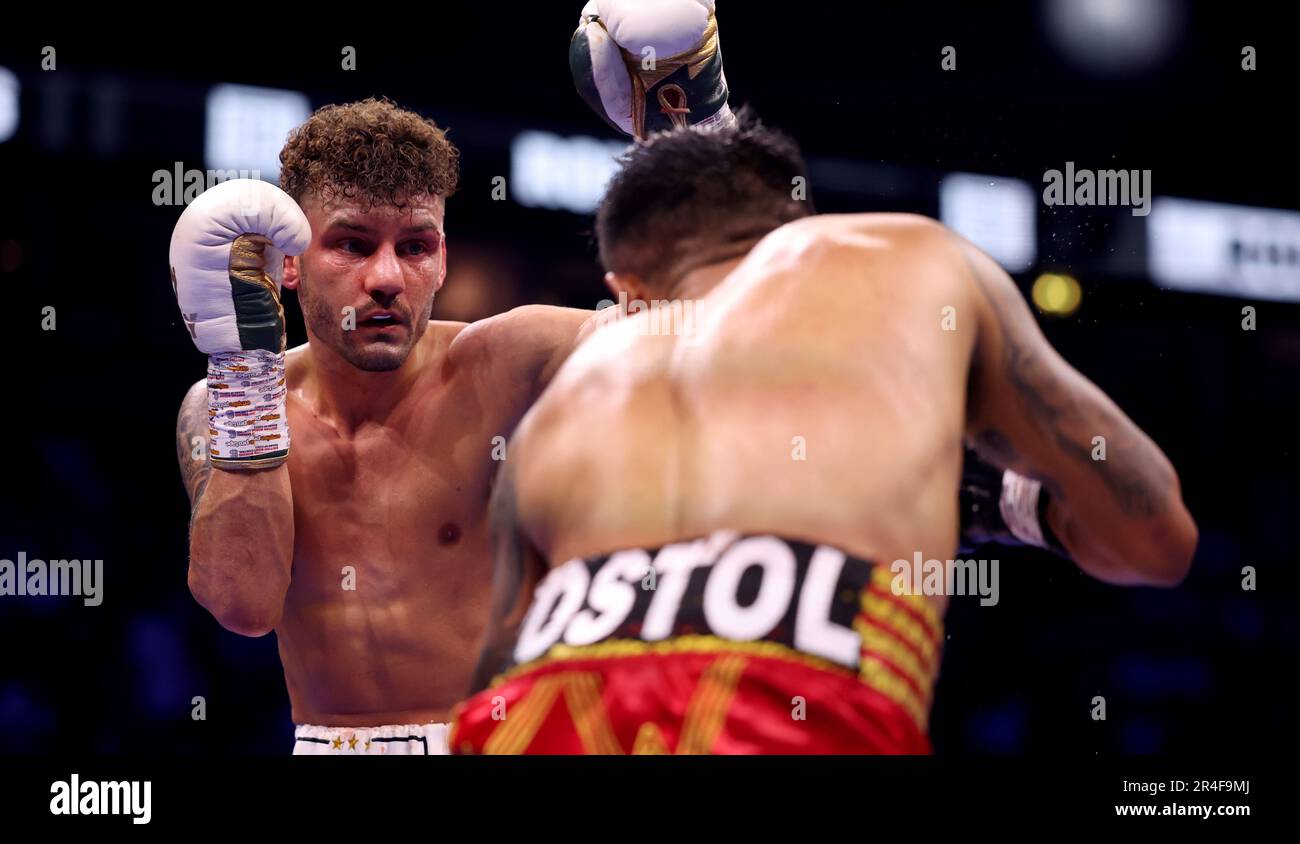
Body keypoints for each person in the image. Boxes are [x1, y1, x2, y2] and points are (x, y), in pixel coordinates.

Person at [450, 111, 1197, 754]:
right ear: (792, 223)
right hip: (790, 682)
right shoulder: (905, 257)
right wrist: (1004, 502)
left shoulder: (568, 393)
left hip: (543, 700)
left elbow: (495, 670)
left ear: (626, 291)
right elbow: (1156, 536)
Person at [171, 98, 591, 754]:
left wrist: (691, 129)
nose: (389, 278)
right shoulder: (219, 404)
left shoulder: (513, 363)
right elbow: (243, 605)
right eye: (352, 243)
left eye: (415, 246)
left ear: (443, 259)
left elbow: (711, 336)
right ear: (287, 261)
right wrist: (245, 373)